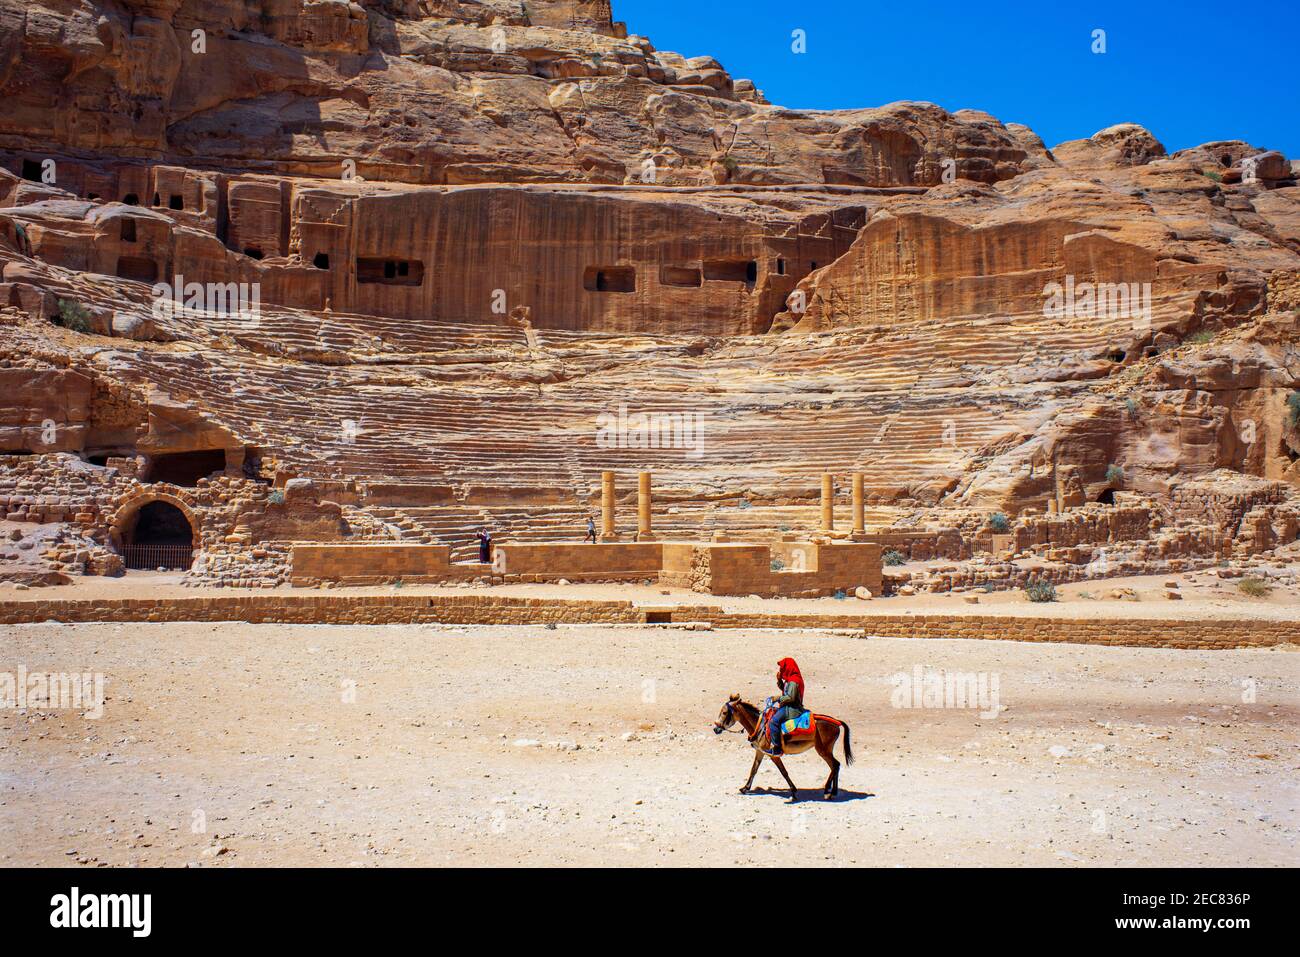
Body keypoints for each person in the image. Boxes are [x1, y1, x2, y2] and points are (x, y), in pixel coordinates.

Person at [765, 657, 807, 756]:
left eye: (783, 668)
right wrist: (779, 680)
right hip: (788, 706)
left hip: (792, 708)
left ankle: (777, 748)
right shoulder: (790, 680)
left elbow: (791, 697)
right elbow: (784, 690)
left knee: (773, 722)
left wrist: (777, 698)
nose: (781, 670)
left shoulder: (794, 681)